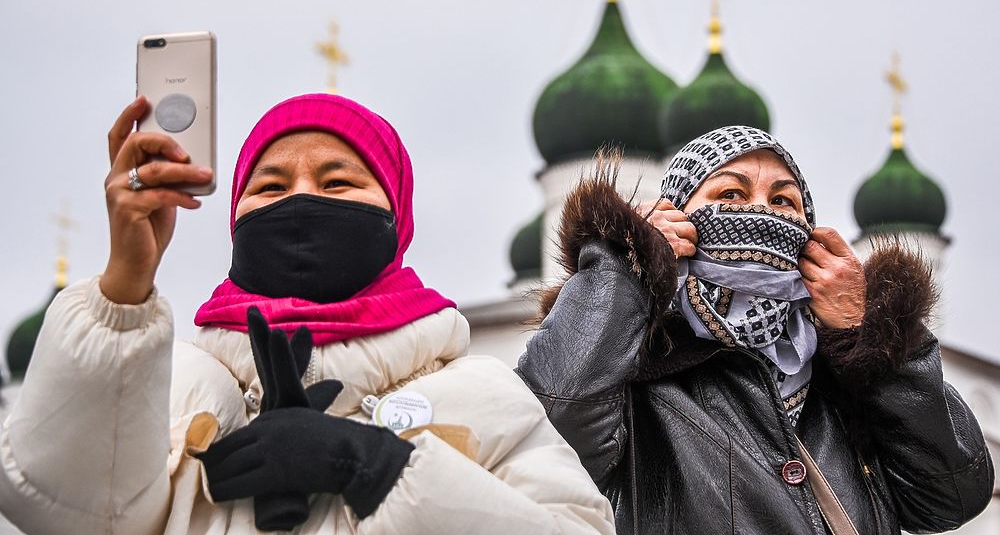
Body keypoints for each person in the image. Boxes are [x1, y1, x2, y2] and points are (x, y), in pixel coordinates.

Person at [0, 93, 615, 535]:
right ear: (234, 223)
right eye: (268, 187)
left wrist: (380, 468)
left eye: (337, 182)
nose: (299, 199)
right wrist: (124, 292)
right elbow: (64, 506)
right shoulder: (172, 382)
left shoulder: (479, 393)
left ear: (395, 218)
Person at [517, 126, 994, 534]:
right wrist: (626, 267)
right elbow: (553, 430)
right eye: (731, 194)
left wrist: (866, 334)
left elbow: (951, 494)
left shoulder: (842, 376)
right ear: (674, 218)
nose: (760, 212)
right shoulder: (637, 365)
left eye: (783, 200)